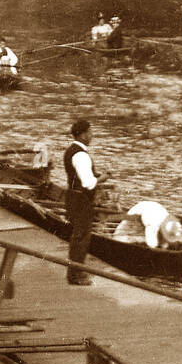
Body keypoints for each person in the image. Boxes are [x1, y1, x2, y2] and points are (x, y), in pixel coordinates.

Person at [63, 119, 105, 285]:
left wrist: (95, 176)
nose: (91, 135)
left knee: (77, 236)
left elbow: (78, 176)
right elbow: (88, 183)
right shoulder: (81, 155)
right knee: (82, 237)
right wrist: (103, 178)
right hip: (82, 200)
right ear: (82, 135)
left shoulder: (70, 151)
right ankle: (76, 275)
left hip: (72, 197)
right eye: (90, 132)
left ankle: (75, 271)